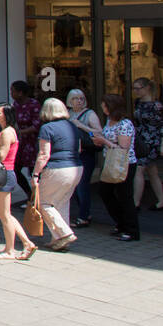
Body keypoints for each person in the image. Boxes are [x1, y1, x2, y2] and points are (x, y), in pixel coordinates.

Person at [0, 103, 35, 259]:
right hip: (6, 173)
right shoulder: (9, 131)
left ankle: (10, 250)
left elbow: (1, 157)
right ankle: (26, 243)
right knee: (5, 214)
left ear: (6, 115)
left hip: (3, 174)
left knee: (4, 215)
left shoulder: (6, 133)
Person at [33, 97, 82, 251]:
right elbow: (79, 149)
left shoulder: (47, 128)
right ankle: (58, 240)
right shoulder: (72, 126)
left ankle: (64, 233)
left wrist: (35, 174)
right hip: (76, 167)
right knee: (62, 203)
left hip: (56, 168)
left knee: (44, 203)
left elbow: (43, 155)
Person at [92, 93, 140, 242]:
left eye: (105, 105)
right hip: (110, 162)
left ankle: (131, 230)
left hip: (124, 164)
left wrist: (104, 141)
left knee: (125, 196)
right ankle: (121, 223)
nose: (103, 108)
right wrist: (100, 141)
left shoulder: (125, 124)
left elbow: (123, 148)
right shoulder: (109, 120)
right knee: (105, 192)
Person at [132, 77, 163, 212]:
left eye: (138, 88)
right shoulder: (137, 103)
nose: (135, 91)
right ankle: (162, 201)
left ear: (147, 88)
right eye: (134, 88)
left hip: (152, 141)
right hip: (141, 140)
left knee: (139, 169)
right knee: (152, 171)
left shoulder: (157, 106)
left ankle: (135, 202)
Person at [66, 89, 102, 228]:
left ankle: (84, 216)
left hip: (86, 152)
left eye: (81, 98)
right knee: (75, 184)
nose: (79, 101)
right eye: (76, 98)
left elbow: (99, 132)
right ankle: (84, 212)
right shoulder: (68, 114)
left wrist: (81, 126)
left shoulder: (89, 114)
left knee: (82, 185)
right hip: (73, 152)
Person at [10, 80, 41, 204]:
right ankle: (29, 194)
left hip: (32, 143)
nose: (11, 93)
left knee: (35, 172)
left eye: (13, 91)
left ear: (20, 93)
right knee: (16, 169)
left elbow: (37, 125)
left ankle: (37, 199)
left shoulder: (34, 105)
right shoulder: (15, 105)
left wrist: (21, 132)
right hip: (20, 143)